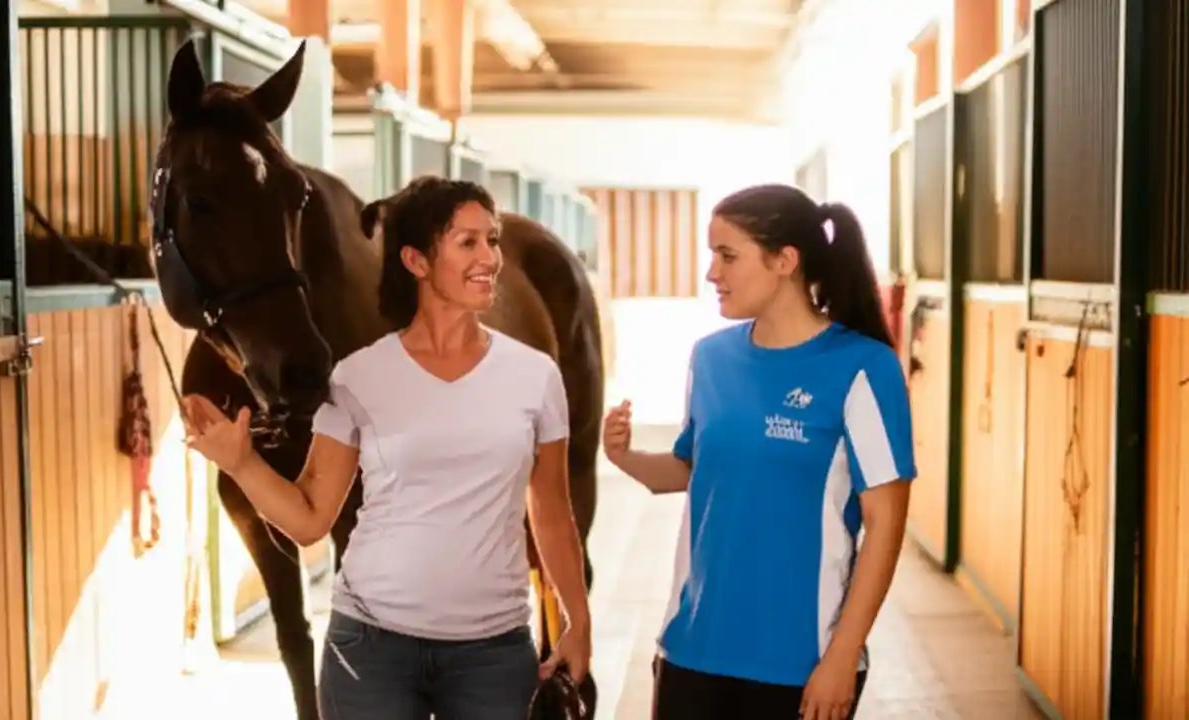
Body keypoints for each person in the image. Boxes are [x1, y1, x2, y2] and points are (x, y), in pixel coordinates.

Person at [181, 176, 592, 720]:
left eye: (492, 240)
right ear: (417, 262)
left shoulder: (535, 376)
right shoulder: (357, 376)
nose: (491, 257)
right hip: (370, 652)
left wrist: (577, 622)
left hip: (491, 650)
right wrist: (241, 462)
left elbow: (552, 513)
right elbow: (309, 518)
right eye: (468, 242)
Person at [603, 184, 915, 720]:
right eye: (711, 255)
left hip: (801, 662)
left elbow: (885, 523)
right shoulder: (710, 358)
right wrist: (625, 457)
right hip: (693, 651)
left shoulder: (863, 368)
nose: (711, 273)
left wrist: (842, 655)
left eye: (727, 255)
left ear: (784, 261)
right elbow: (690, 469)